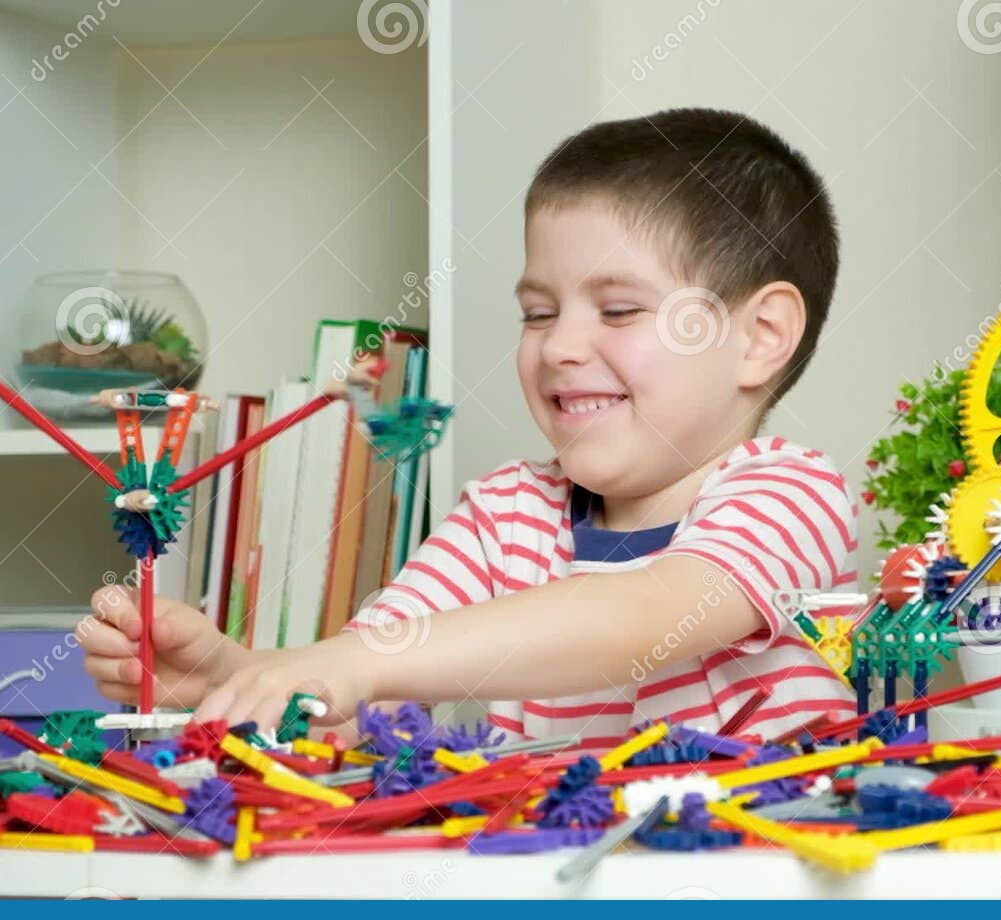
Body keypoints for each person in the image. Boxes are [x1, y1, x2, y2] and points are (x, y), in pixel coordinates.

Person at [79, 107, 856, 745]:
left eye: (618, 310)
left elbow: (641, 617)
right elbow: (365, 692)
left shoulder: (789, 494)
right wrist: (241, 677)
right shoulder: (505, 515)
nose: (559, 345)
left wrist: (352, 665)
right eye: (537, 313)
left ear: (760, 337)